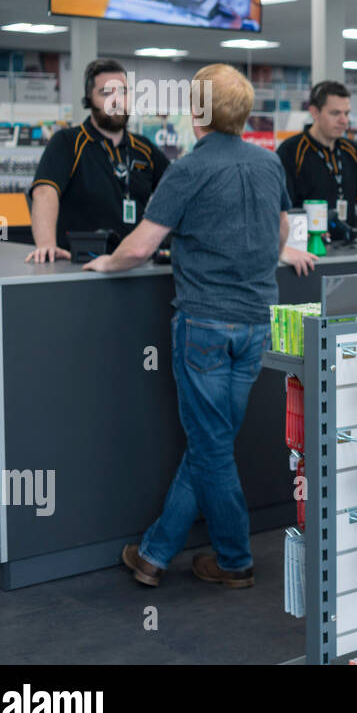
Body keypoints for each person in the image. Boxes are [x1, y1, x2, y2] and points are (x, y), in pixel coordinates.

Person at [84, 63, 313, 589]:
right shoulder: (268, 163)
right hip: (255, 323)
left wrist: (104, 262)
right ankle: (154, 553)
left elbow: (140, 247)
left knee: (210, 445)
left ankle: (234, 560)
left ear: (198, 113)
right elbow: (280, 232)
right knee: (213, 442)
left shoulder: (187, 169)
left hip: (205, 324)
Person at [26, 58, 170, 262]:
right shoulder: (68, 142)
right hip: (79, 266)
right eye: (106, 93)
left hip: (132, 266)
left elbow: (177, 191)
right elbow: (44, 192)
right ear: (88, 100)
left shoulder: (144, 149)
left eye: (122, 93)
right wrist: (46, 245)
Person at [276, 80, 357, 232]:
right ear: (314, 112)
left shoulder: (351, 151)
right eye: (335, 113)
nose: (344, 121)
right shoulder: (291, 151)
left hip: (349, 246)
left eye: (347, 113)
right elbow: (283, 210)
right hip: (308, 247)